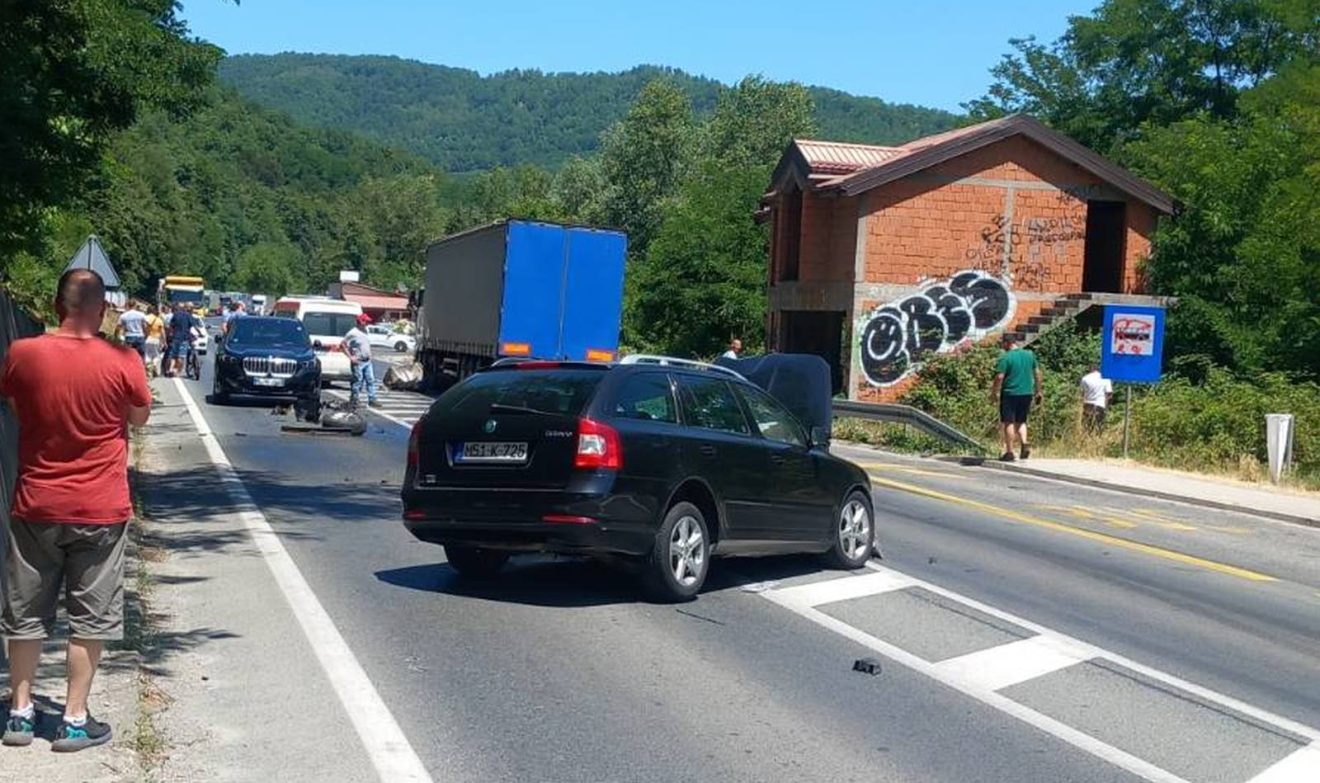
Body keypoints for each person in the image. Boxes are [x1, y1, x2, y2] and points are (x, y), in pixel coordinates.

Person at [0, 269, 151, 752]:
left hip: (36, 503)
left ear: (55, 304)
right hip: (100, 509)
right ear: (102, 310)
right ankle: (73, 720)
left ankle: (19, 714)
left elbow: (17, 407)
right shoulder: (123, 359)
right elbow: (139, 416)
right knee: (90, 618)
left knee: (25, 612)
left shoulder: (22, 354)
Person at [991, 333, 1043, 461]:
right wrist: (1039, 390)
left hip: (1010, 393)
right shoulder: (1029, 355)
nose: (1002, 346)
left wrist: (994, 392)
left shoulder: (1006, 358)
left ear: (1007, 343)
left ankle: (1009, 452)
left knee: (1008, 421)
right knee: (1021, 420)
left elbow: (999, 377)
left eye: (1003, 344)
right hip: (1027, 393)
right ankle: (1024, 443)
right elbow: (1037, 373)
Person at [344, 313, 379, 408]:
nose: (367, 323)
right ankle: (354, 399)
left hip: (367, 360)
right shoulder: (352, 333)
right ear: (360, 321)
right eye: (365, 321)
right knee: (358, 380)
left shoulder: (365, 331)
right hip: (358, 361)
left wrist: (370, 354)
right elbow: (343, 345)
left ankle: (372, 399)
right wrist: (351, 357)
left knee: (370, 379)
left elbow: (366, 344)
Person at [166, 303, 199, 378]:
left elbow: (170, 326)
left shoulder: (176, 315)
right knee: (181, 356)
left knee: (174, 355)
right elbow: (195, 326)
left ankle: (171, 369)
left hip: (175, 337)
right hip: (184, 338)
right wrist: (200, 333)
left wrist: (171, 334)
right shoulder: (188, 316)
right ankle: (177, 371)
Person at [1079, 363, 1114, 433]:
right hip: (1100, 405)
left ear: (1090, 369)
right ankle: (1098, 441)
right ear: (1098, 369)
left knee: (1087, 428)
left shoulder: (1085, 378)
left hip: (1087, 405)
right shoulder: (1105, 378)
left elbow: (1081, 394)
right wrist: (1107, 406)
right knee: (1099, 427)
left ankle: (1086, 441)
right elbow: (1109, 394)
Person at [143, 305, 165, 377]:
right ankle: (155, 365)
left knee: (147, 355)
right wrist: (164, 341)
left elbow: (143, 327)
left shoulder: (145, 318)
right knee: (156, 355)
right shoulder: (159, 320)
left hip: (147, 338)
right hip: (156, 339)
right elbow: (162, 332)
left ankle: (148, 370)